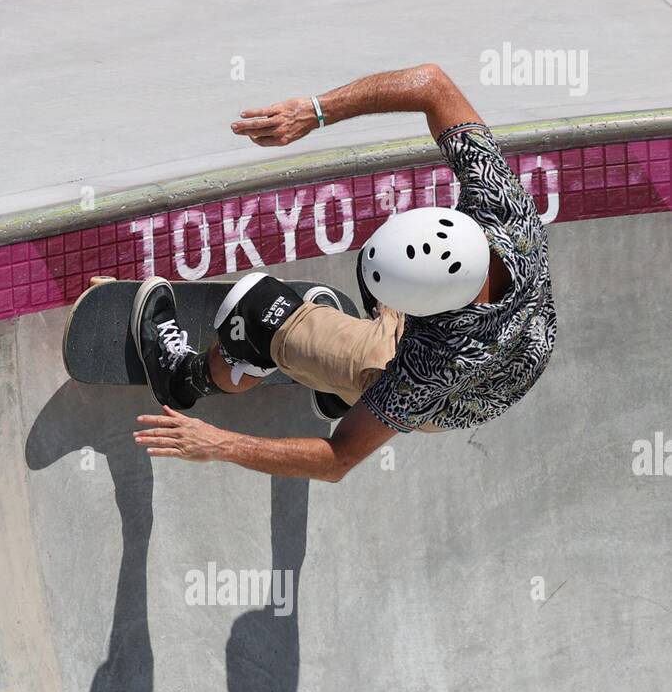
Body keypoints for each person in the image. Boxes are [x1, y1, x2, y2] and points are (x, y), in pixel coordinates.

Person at [131, 63, 556, 481]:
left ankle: (185, 378)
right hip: (515, 358)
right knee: (352, 307)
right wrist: (315, 111)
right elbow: (433, 85)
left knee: (256, 311)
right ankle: (336, 387)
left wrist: (219, 445)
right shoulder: (500, 204)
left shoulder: (430, 367)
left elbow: (338, 460)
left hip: (452, 396)